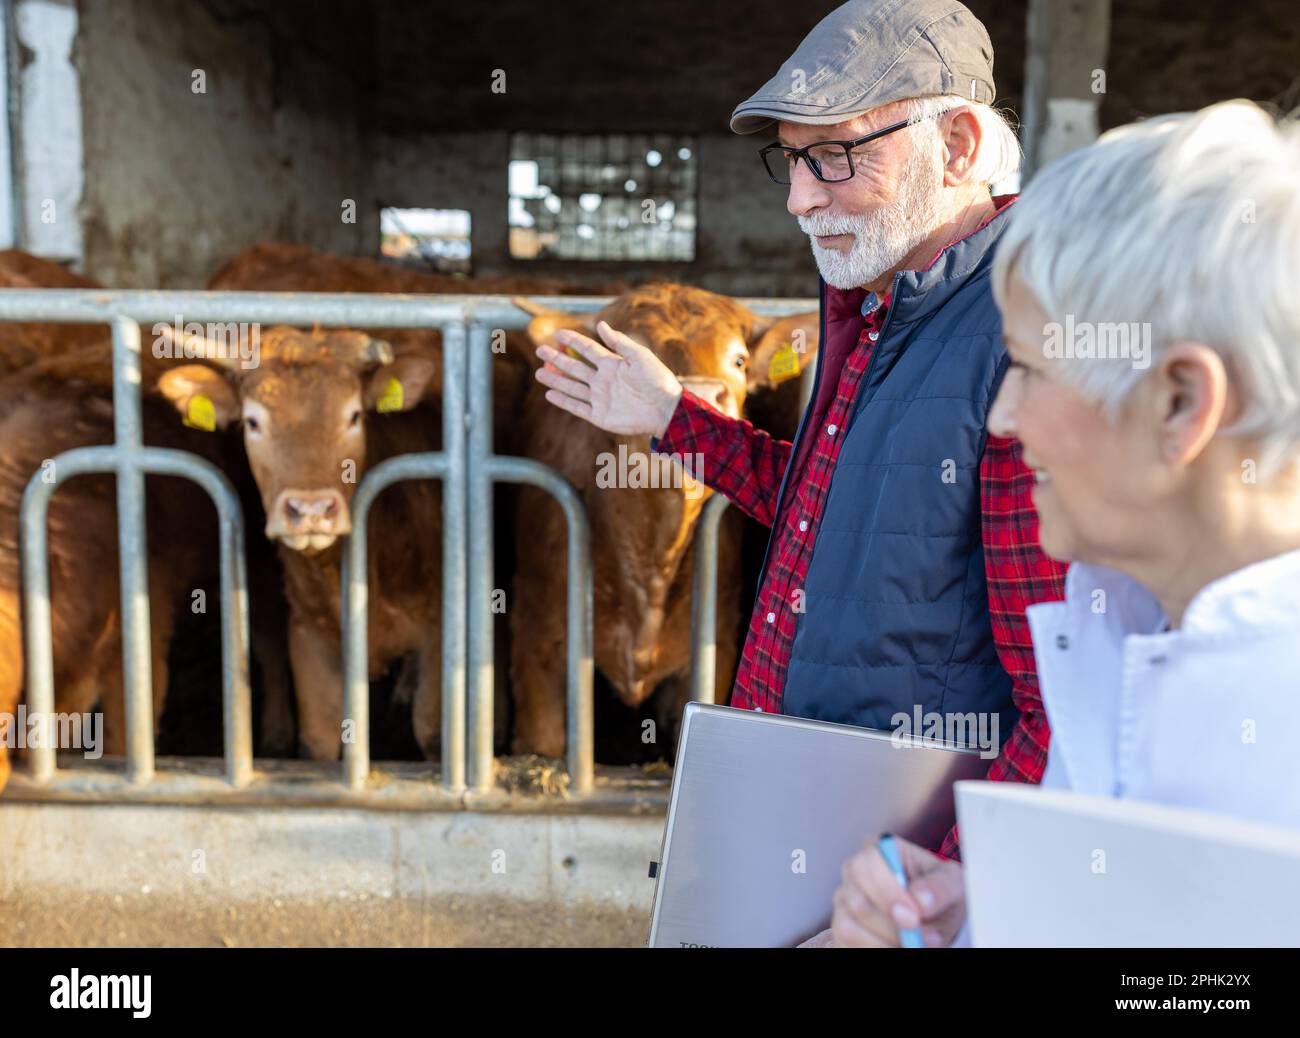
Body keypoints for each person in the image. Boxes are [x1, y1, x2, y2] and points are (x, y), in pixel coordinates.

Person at [533, 0, 1066, 864]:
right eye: (789, 159)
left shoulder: (1024, 339)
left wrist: (921, 896)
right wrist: (677, 419)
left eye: (836, 156)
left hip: (897, 859)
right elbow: (850, 511)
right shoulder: (886, 301)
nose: (798, 198)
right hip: (823, 820)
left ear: (959, 146)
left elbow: (1060, 707)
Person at [829, 99, 1300, 948]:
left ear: (1180, 402)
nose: (1004, 416)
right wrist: (976, 921)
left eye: (1033, 369)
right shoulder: (1110, 626)